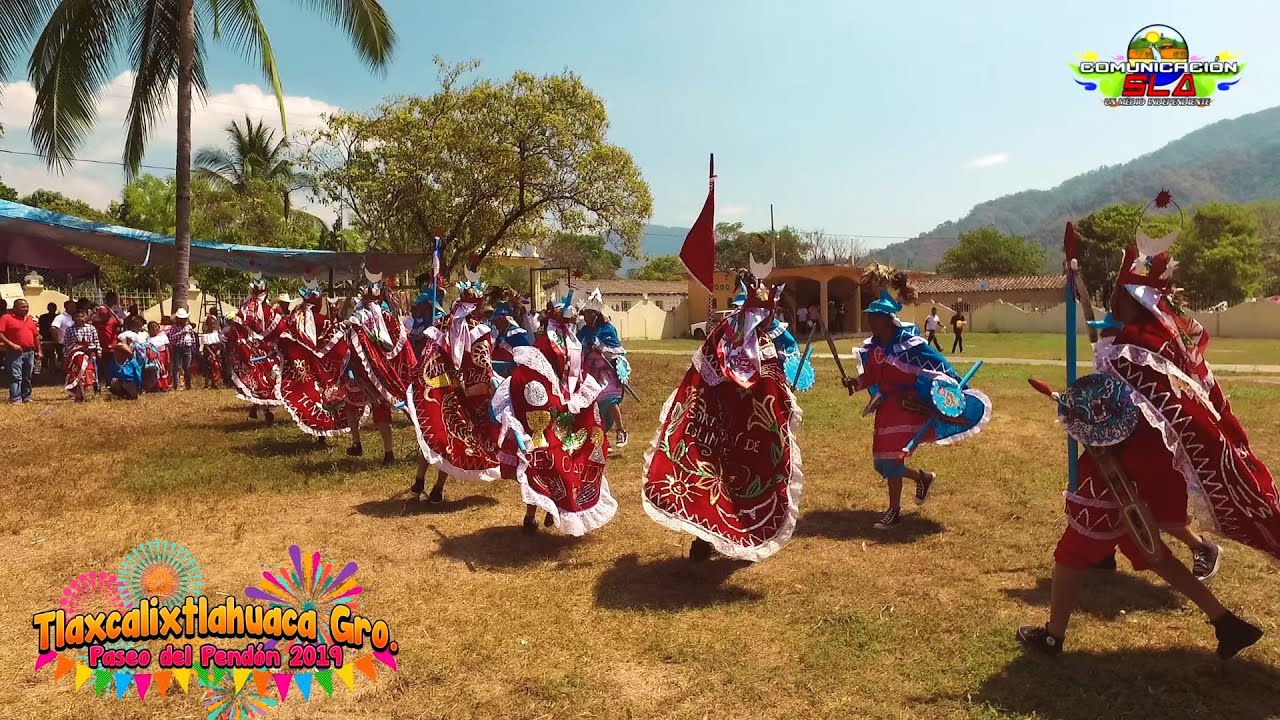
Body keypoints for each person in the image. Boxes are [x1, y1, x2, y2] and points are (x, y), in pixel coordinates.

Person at [1016, 221, 1277, 661]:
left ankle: (1052, 638)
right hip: (1137, 463)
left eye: (1119, 291)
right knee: (1148, 549)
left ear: (1132, 299)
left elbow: (1125, 411)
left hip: (1120, 464)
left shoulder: (1132, 346)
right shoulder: (1156, 340)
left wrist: (1085, 408)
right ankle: (1226, 623)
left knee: (1071, 549)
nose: (1112, 298)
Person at [644, 264, 814, 561]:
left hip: (747, 430)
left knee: (735, 483)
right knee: (711, 479)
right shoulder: (731, 339)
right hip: (718, 424)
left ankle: (720, 538)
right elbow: (702, 376)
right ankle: (706, 538)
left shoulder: (756, 341)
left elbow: (771, 388)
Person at [843, 274, 992, 530]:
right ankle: (922, 477)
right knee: (882, 462)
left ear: (886, 320)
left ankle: (894, 511)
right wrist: (855, 384)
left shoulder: (911, 345)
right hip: (886, 409)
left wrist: (956, 389)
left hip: (907, 408)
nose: (869, 320)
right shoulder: (877, 347)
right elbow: (871, 376)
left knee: (891, 459)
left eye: (873, 316)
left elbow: (939, 365)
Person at [492, 290, 615, 535]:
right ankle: (534, 514)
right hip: (546, 416)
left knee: (554, 463)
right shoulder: (547, 347)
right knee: (541, 461)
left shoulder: (571, 347)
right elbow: (530, 378)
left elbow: (577, 383)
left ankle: (546, 512)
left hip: (567, 418)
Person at [408, 267, 502, 502]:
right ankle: (437, 489)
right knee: (453, 440)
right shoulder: (480, 332)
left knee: (435, 431)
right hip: (466, 395)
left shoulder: (442, 325)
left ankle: (419, 481)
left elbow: (428, 356)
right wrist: (484, 390)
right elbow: (483, 367)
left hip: (439, 389)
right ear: (477, 307)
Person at [344, 275, 416, 465]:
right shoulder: (386, 317)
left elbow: (355, 343)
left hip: (370, 371)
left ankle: (376, 448)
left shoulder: (360, 319)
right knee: (357, 404)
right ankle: (379, 450)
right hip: (376, 370)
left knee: (374, 405)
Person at [578, 288, 632, 451]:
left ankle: (621, 431)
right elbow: (578, 346)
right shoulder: (585, 330)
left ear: (596, 314)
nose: (585, 317)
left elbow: (617, 349)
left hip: (608, 371)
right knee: (593, 404)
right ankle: (601, 437)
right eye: (584, 314)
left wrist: (601, 347)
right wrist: (585, 347)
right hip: (591, 371)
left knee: (609, 399)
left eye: (588, 314)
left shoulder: (608, 329)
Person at [226, 274, 281, 425]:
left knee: (264, 380)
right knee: (264, 380)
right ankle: (265, 411)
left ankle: (259, 409)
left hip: (257, 348)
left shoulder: (252, 306)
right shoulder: (254, 307)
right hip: (256, 349)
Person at [0, 299, 41, 403]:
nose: (26, 309)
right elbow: (0, 333)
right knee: (15, 375)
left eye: (27, 307)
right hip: (15, 352)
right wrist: (11, 344)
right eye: (23, 307)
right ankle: (15, 398)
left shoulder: (29, 320)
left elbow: (36, 336)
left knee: (27, 376)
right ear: (15, 308)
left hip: (29, 352)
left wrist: (39, 350)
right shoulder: (6, 318)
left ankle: (26, 396)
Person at [62, 309, 99, 402]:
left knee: (92, 371)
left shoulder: (91, 328)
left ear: (85, 317)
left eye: (81, 316)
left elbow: (96, 340)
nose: (79, 318)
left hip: (89, 353)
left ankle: (96, 389)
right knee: (77, 373)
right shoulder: (70, 329)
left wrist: (99, 351)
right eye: (77, 317)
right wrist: (66, 355)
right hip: (76, 355)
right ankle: (78, 392)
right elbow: (66, 343)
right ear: (73, 318)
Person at [166, 308, 197, 390]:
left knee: (187, 367)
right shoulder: (174, 327)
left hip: (187, 348)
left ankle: (188, 385)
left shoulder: (189, 327)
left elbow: (192, 337)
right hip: (178, 348)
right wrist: (180, 333)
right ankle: (176, 384)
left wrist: (193, 347)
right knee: (177, 366)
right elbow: (171, 338)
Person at [200, 313, 225, 389]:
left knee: (216, 368)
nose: (213, 326)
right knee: (208, 369)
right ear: (207, 325)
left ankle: (214, 384)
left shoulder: (216, 334)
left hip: (216, 352)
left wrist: (218, 351)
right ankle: (206, 385)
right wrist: (211, 354)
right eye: (211, 324)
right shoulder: (205, 335)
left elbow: (219, 344)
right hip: (208, 354)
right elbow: (206, 346)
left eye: (214, 324)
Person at [145, 321, 171, 391]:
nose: (154, 329)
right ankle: (157, 386)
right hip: (154, 357)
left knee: (163, 370)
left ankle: (164, 385)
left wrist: (168, 358)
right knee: (157, 370)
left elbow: (167, 347)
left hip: (163, 355)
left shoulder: (163, 336)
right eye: (152, 328)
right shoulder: (148, 339)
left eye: (156, 326)